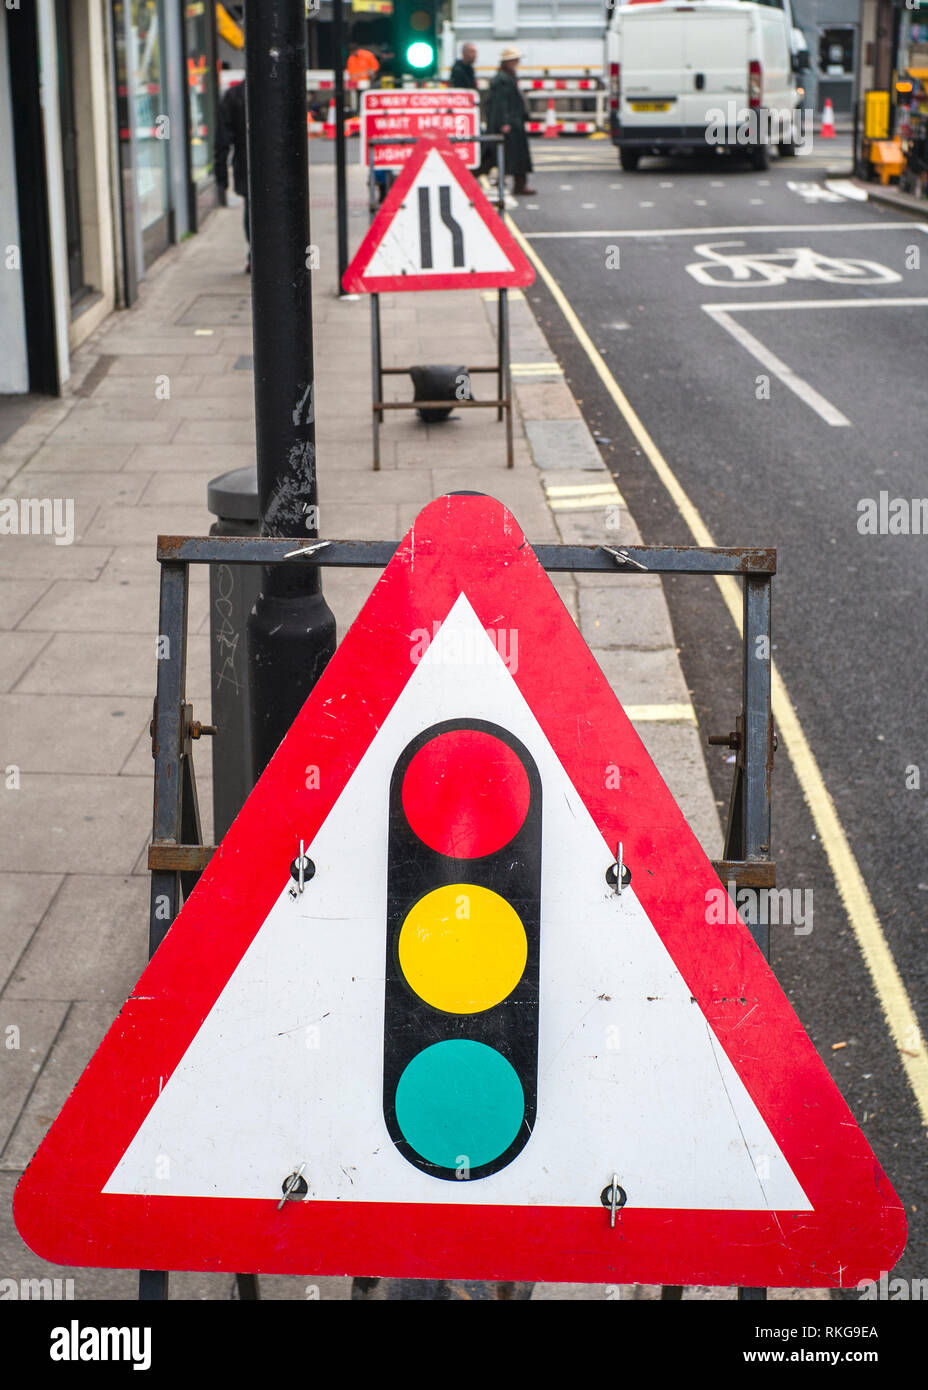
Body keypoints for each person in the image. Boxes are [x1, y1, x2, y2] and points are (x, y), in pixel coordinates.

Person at [485, 47, 535, 196]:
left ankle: (519, 184)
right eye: (515, 60)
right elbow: (502, 103)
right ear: (508, 62)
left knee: (512, 155)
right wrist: (505, 122)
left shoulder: (506, 76)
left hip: (513, 121)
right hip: (510, 123)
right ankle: (515, 184)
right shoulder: (503, 79)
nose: (517, 62)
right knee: (509, 155)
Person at [215, 78, 250, 272]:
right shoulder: (279, 89)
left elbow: (222, 140)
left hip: (245, 163)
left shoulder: (235, 95)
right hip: (277, 164)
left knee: (252, 209)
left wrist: (221, 176)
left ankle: (255, 254)